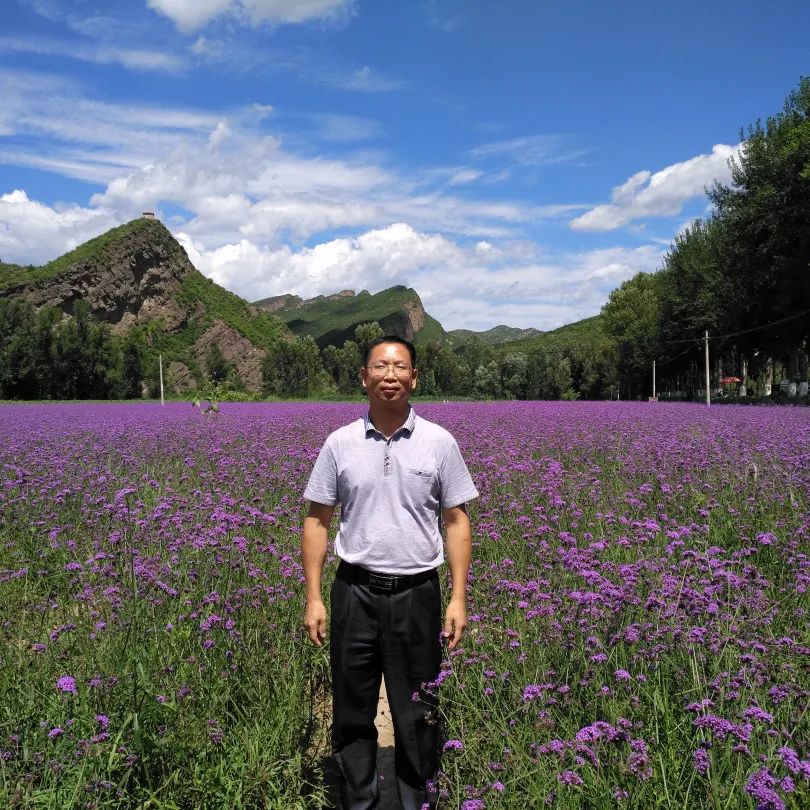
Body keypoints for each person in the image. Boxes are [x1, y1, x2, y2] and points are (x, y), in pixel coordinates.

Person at [301, 335, 478, 810]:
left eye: (400, 367)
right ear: (364, 376)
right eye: (380, 366)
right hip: (352, 590)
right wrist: (314, 596)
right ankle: (359, 799)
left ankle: (416, 800)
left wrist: (458, 598)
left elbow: (457, 522)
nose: (390, 375)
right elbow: (317, 520)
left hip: (417, 592)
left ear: (414, 377)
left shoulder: (440, 443)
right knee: (352, 706)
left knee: (417, 711)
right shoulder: (338, 444)